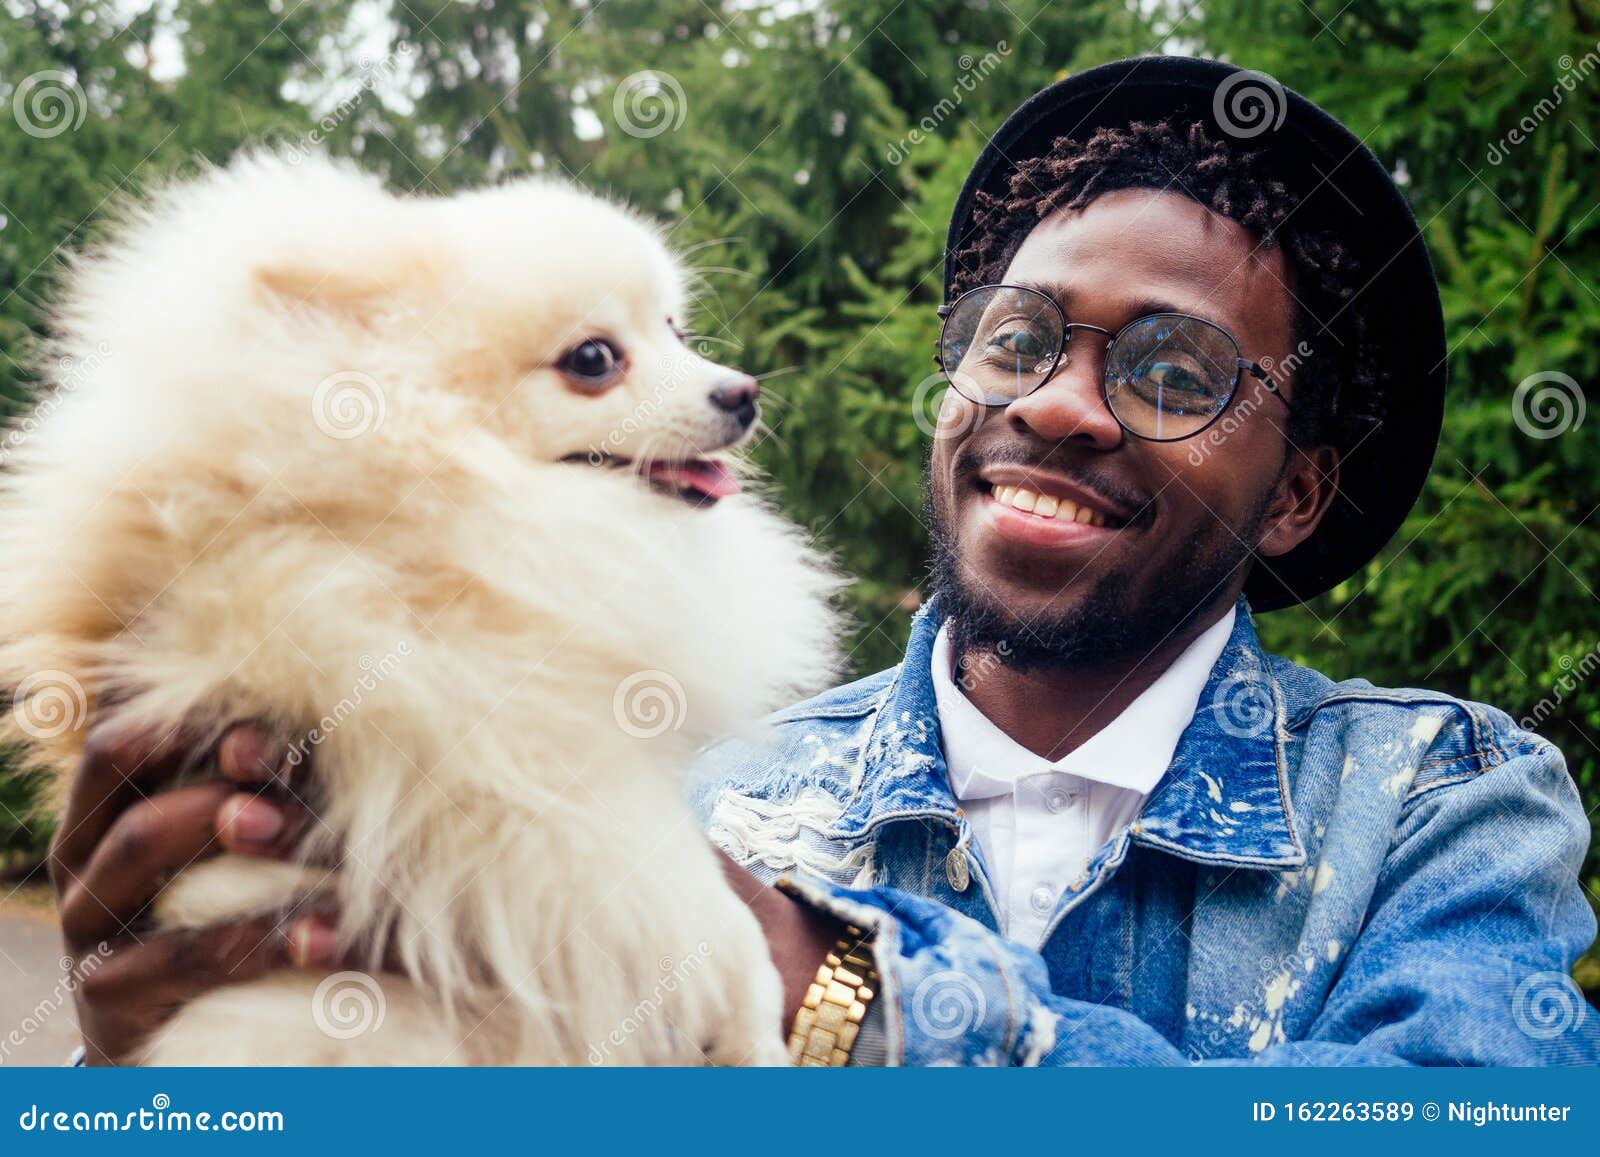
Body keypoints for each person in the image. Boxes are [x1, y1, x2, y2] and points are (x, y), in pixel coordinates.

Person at [52, 57, 1598, 1066]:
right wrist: (165, 1066)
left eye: (1176, 374)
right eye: (1018, 339)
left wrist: (815, 979)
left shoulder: (1443, 806)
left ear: (1297, 494)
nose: (1057, 405)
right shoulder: (688, 765)